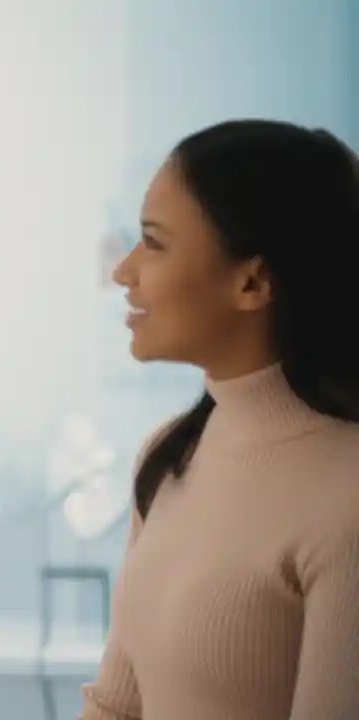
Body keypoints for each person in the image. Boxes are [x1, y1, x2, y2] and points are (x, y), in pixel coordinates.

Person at [82, 119, 359, 719]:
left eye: (153, 243)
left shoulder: (348, 501)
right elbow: (116, 706)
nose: (123, 272)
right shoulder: (171, 455)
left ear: (253, 280)